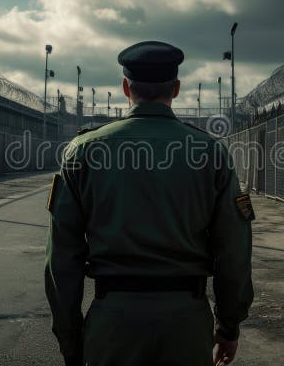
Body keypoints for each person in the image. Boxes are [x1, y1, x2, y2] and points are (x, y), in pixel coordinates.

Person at [45, 40, 253, 366]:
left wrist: (70, 339)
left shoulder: (83, 150)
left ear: (126, 87)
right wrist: (229, 326)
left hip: (113, 322)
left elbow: (62, 256)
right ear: (177, 88)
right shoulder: (211, 152)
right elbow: (234, 249)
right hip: (186, 323)